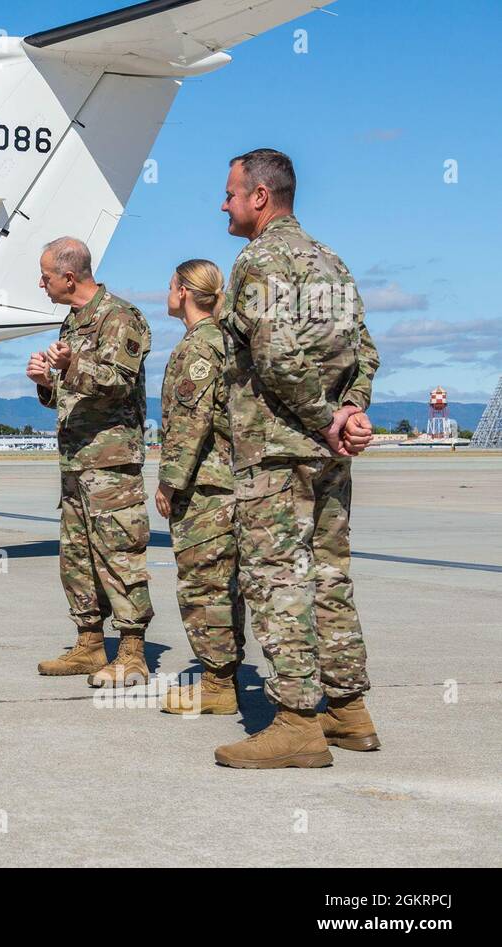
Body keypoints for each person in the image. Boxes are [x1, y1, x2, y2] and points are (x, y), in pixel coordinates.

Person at [214, 148, 381, 768]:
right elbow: (364, 349)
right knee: (329, 575)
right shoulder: (331, 261)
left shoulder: (261, 260)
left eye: (231, 194)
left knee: (277, 579)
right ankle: (348, 711)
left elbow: (275, 354)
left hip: (279, 449)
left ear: (260, 196)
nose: (223, 205)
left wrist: (322, 416)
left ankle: (296, 724)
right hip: (328, 452)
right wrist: (350, 411)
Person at [27, 237, 154, 688]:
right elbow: (73, 395)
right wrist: (47, 382)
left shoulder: (120, 317)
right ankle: (89, 644)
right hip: (76, 461)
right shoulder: (73, 322)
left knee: (120, 555)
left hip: (111, 463)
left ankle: (133, 652)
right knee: (77, 557)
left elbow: (119, 382)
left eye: (45, 276)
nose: (40, 283)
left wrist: (70, 364)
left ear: (68, 277)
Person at [153, 260, 245, 715]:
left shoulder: (199, 347)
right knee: (221, 585)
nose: (167, 293)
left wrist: (169, 483)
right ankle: (222, 677)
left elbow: (192, 423)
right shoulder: (220, 339)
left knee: (203, 587)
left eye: (171, 286)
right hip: (220, 483)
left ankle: (217, 684)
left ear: (185, 292)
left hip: (206, 489)